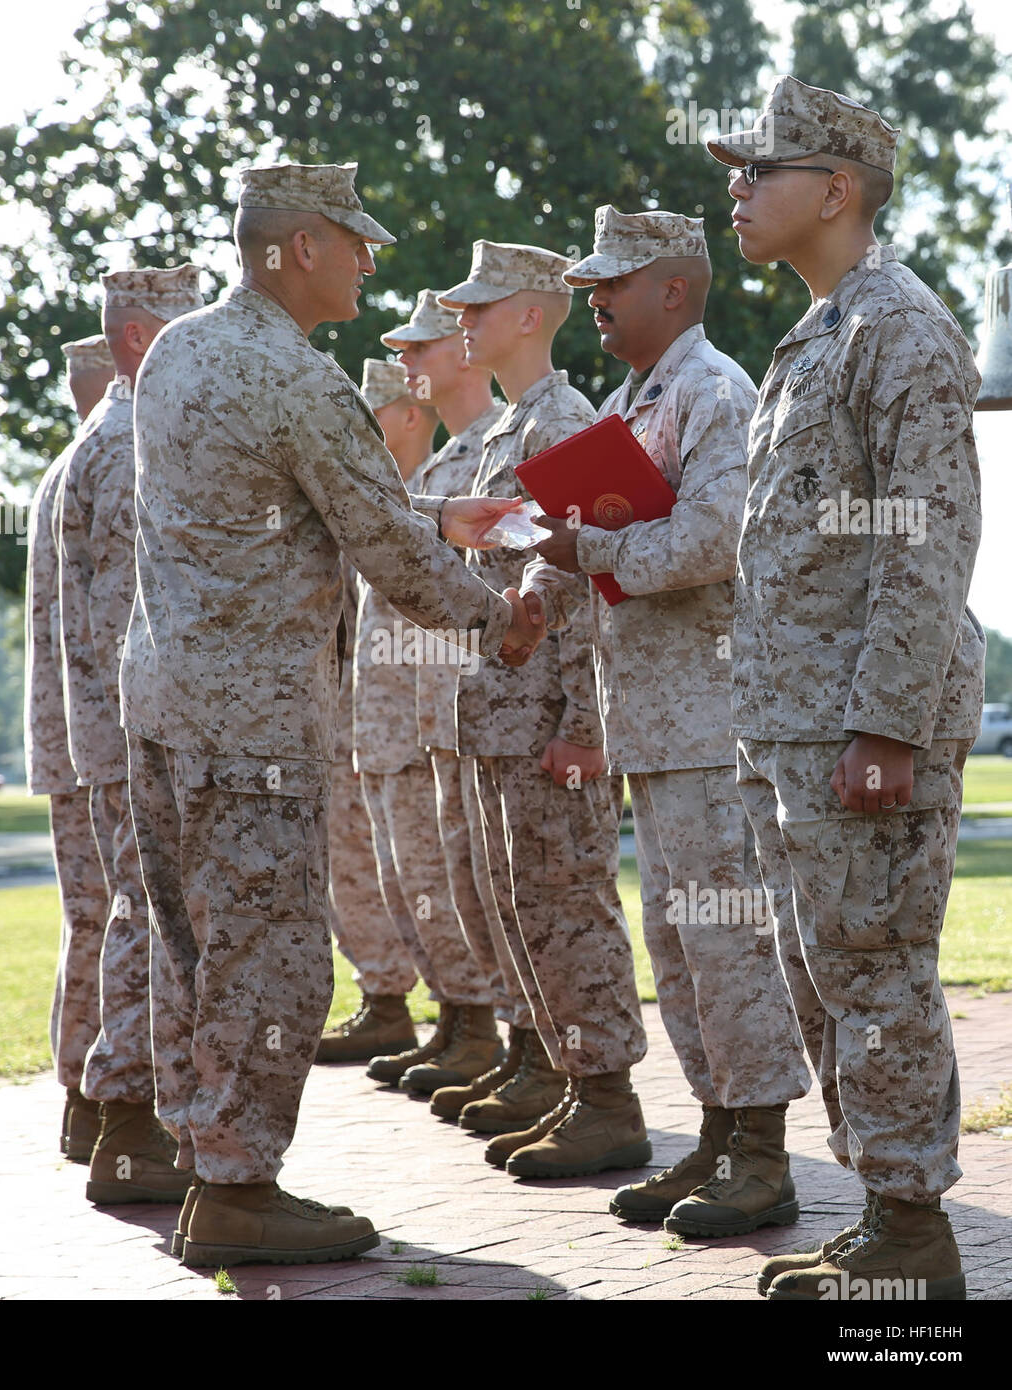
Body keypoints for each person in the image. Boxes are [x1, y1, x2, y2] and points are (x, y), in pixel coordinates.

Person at [119, 162, 545, 1267]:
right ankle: (241, 1185)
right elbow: (382, 547)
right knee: (273, 960)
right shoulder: (295, 375)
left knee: (192, 945)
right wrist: (495, 618)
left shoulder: (180, 349)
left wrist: (441, 509)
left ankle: (200, 1152)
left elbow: (306, 496)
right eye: (353, 240)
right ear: (298, 246)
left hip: (165, 705)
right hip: (254, 722)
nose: (369, 259)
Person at [708, 76, 984, 1300]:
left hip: (859, 729)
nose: (736, 188)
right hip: (794, 724)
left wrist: (882, 727)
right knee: (830, 970)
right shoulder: (817, 334)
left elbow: (923, 542)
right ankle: (884, 1212)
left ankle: (913, 1237)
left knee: (873, 968)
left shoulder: (897, 330)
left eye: (759, 171)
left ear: (836, 190)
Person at [526, 208, 813, 1232]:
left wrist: (593, 553)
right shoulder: (636, 397)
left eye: (614, 283)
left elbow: (713, 538)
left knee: (726, 939)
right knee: (679, 944)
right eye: (591, 284)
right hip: (654, 718)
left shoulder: (712, 391)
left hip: (711, 720)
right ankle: (716, 1133)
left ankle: (764, 1154)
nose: (595, 300)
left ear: (675, 291)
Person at [434, 241, 651, 1179]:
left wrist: (583, 721)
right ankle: (557, 1070)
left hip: (546, 716)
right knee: (522, 903)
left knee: (570, 905)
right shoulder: (504, 430)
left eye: (482, 307)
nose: (464, 322)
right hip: (495, 712)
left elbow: (591, 583)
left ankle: (608, 1097)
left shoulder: (564, 422)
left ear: (532, 313)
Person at [56, 266, 205, 1206]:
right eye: (187, 333)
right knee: (143, 923)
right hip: (136, 730)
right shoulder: (129, 444)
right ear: (146, 339)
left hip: (124, 729)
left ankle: (124, 1117)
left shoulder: (110, 435)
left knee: (138, 918)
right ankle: (127, 1121)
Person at [369, 290, 532, 1106]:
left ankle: (505, 1037)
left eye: (422, 348)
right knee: (451, 885)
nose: (408, 365)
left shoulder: (487, 451)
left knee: (503, 890)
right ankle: (474, 1029)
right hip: (430, 709)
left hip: (486, 703)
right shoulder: (446, 465)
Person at [351, 357, 503, 1095]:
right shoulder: (416, 486)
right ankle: (457, 1019)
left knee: (450, 883)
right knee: (410, 879)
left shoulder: (483, 454)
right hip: (391, 724)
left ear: (407, 414)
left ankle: (481, 1027)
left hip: (432, 722)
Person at [24, 332, 113, 1162]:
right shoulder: (104, 459)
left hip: (70, 739)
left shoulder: (62, 467)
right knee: (113, 919)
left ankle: (85, 1101)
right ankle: (98, 1098)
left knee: (91, 919)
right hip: (101, 739)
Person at [314, 542, 420, 1065]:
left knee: (379, 870)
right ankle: (384, 1003)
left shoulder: (388, 508)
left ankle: (420, 1010)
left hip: (382, 727)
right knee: (348, 873)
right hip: (350, 722)